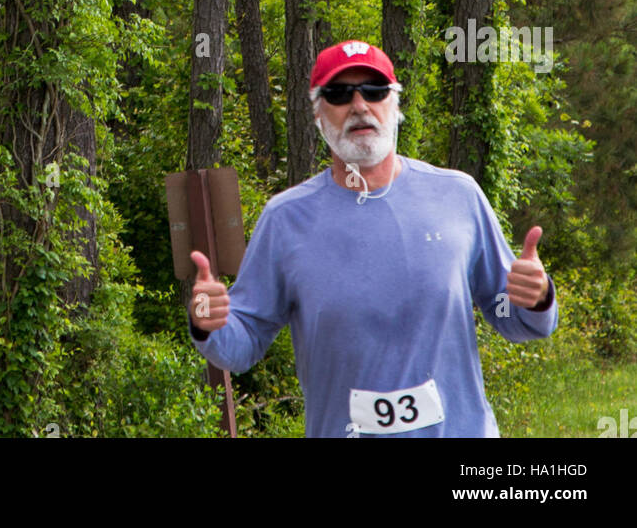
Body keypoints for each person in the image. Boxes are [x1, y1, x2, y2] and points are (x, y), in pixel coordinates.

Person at [188, 39, 557, 438]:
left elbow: (517, 321)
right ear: (317, 113)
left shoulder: (458, 196)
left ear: (395, 106)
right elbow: (241, 346)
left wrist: (537, 299)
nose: (359, 105)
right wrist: (208, 325)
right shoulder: (285, 219)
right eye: (339, 94)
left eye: (375, 91)